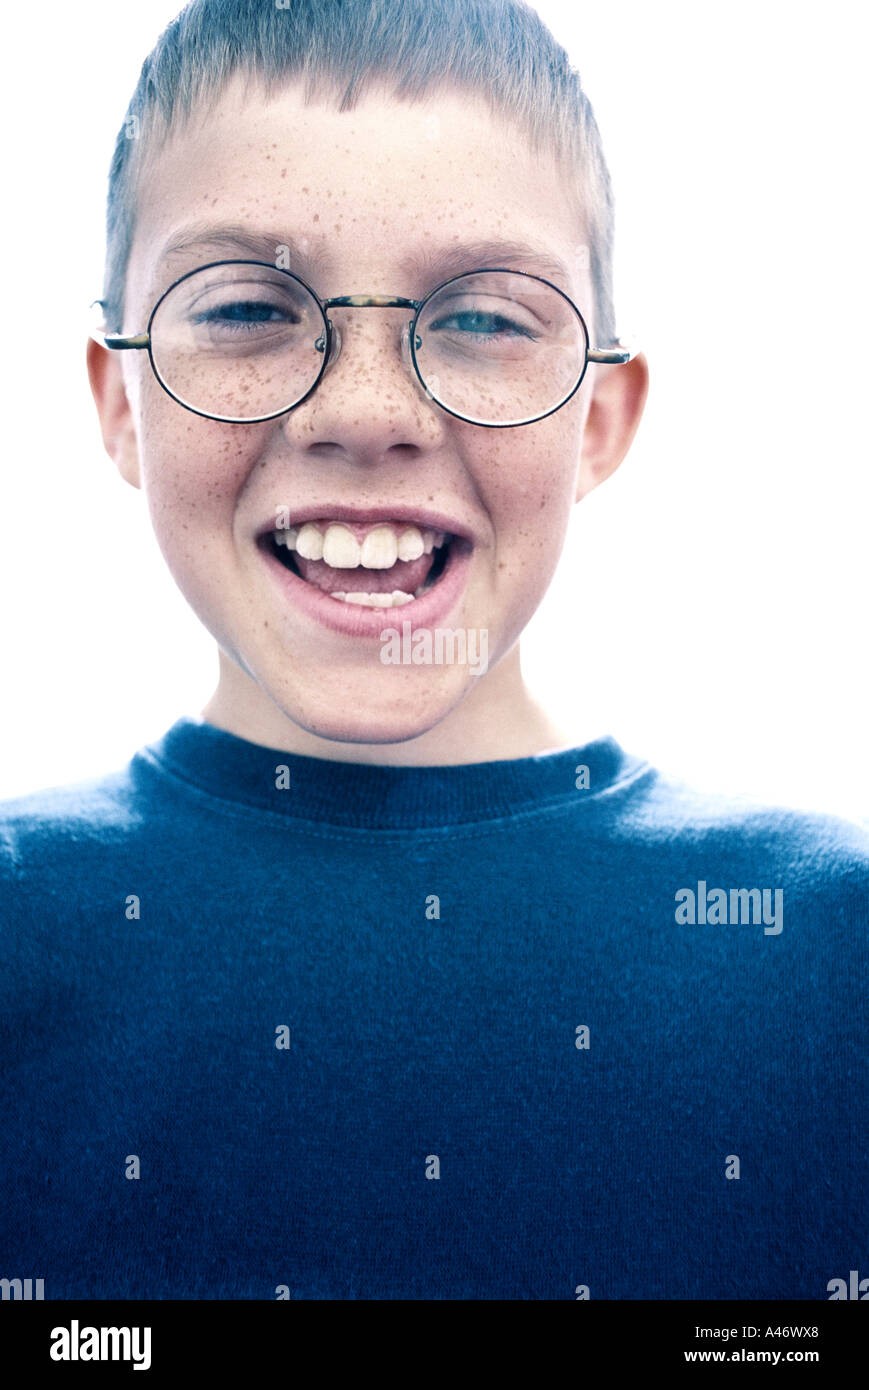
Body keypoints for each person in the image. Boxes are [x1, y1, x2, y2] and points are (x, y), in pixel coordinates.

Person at [0, 0, 865, 1300]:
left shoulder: (826, 949)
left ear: (601, 418)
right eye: (244, 305)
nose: (365, 411)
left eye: (482, 320)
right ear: (119, 400)